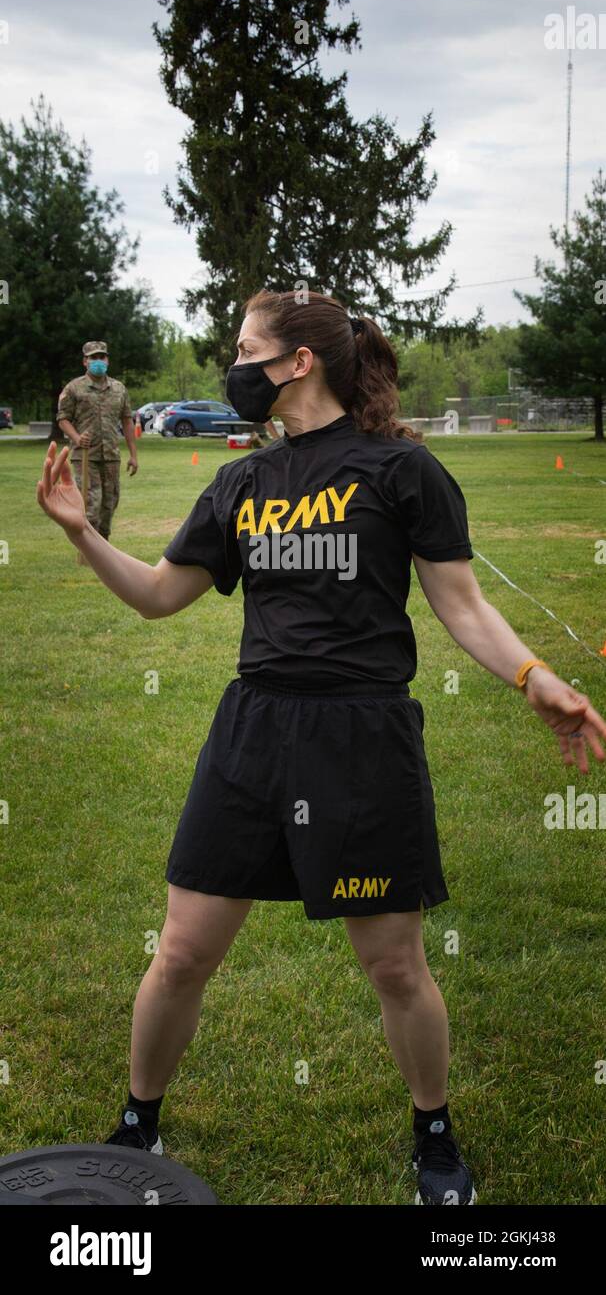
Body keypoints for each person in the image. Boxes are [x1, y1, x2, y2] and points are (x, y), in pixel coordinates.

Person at [36, 290, 606, 1206]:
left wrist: (535, 675)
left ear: (298, 363)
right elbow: (156, 596)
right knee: (180, 952)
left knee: (393, 963)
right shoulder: (240, 484)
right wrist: (80, 533)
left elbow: (461, 602)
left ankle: (435, 1136)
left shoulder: (400, 471)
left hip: (363, 735)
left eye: (245, 350)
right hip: (253, 732)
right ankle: (138, 1122)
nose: (235, 366)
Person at [56, 340, 138, 542]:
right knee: (91, 503)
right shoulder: (74, 388)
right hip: (85, 456)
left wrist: (133, 455)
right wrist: (76, 437)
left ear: (107, 360)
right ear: (85, 361)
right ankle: (88, 548)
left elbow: (127, 421)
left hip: (111, 455)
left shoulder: (119, 389)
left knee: (109, 504)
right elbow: (62, 418)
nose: (98, 361)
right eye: (94, 358)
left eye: (102, 357)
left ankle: (104, 545)